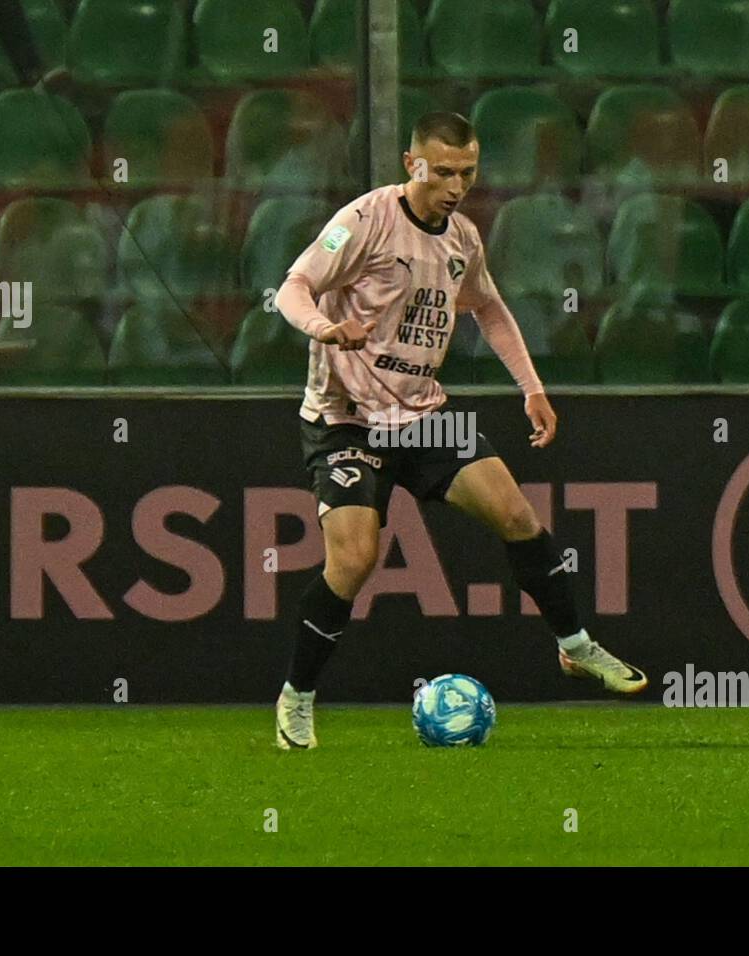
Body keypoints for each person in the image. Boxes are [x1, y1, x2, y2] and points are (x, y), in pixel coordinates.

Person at [272, 112, 648, 750]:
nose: (454, 184)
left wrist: (532, 388)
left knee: (518, 517)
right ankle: (297, 699)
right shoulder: (363, 222)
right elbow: (294, 287)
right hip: (347, 422)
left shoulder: (463, 239)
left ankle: (575, 646)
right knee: (356, 558)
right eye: (442, 170)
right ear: (409, 163)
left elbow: (490, 307)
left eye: (467, 172)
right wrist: (324, 328)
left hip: (422, 416)